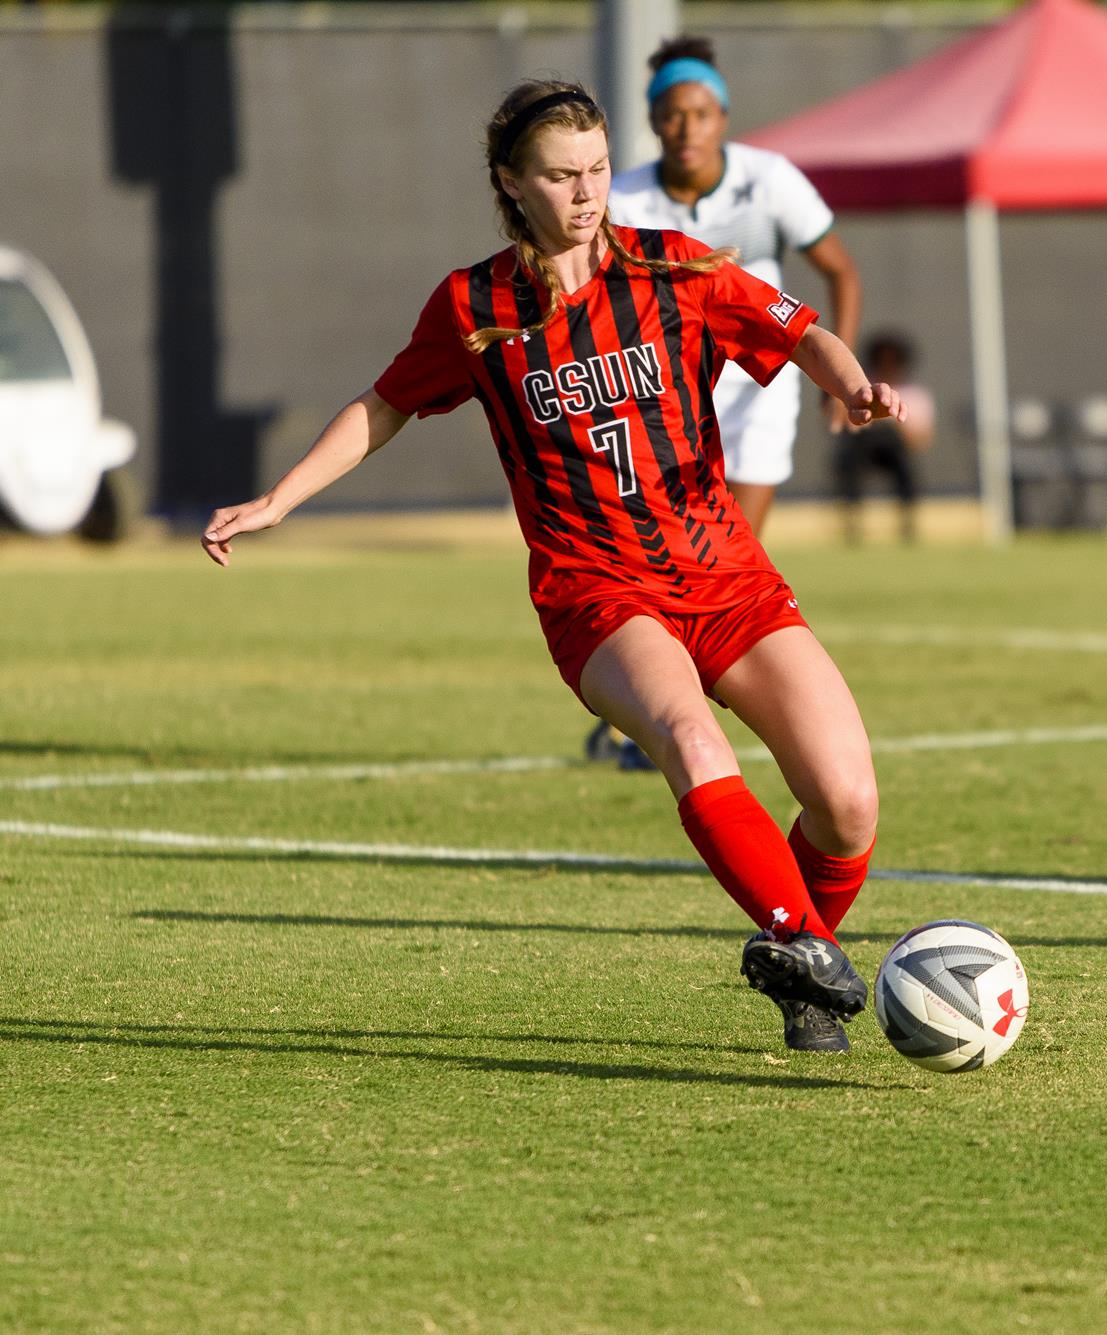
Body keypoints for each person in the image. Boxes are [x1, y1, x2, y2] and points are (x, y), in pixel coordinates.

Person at [199, 81, 901, 1056]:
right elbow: (385, 403)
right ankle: (798, 945)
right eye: (561, 175)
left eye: (599, 170)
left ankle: (802, 968)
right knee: (689, 739)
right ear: (510, 183)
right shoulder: (474, 305)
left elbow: (798, 328)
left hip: (725, 577)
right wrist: (280, 497)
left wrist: (853, 383)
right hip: (597, 593)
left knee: (848, 802)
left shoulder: (676, 270)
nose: (586, 192)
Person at [608, 35, 861, 538]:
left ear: (723, 118)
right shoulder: (621, 199)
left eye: (702, 113)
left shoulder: (770, 179)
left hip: (763, 375)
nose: (687, 129)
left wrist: (840, 376)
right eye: (672, 114)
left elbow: (841, 272)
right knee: (672, 538)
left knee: (737, 540)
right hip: (671, 383)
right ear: (653, 119)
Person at [835, 331, 935, 545]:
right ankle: (852, 526)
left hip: (895, 453)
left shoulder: (914, 395)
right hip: (861, 449)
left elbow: (920, 440)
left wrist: (895, 427)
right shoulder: (858, 392)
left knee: (903, 465)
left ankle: (908, 525)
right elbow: (839, 425)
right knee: (850, 463)